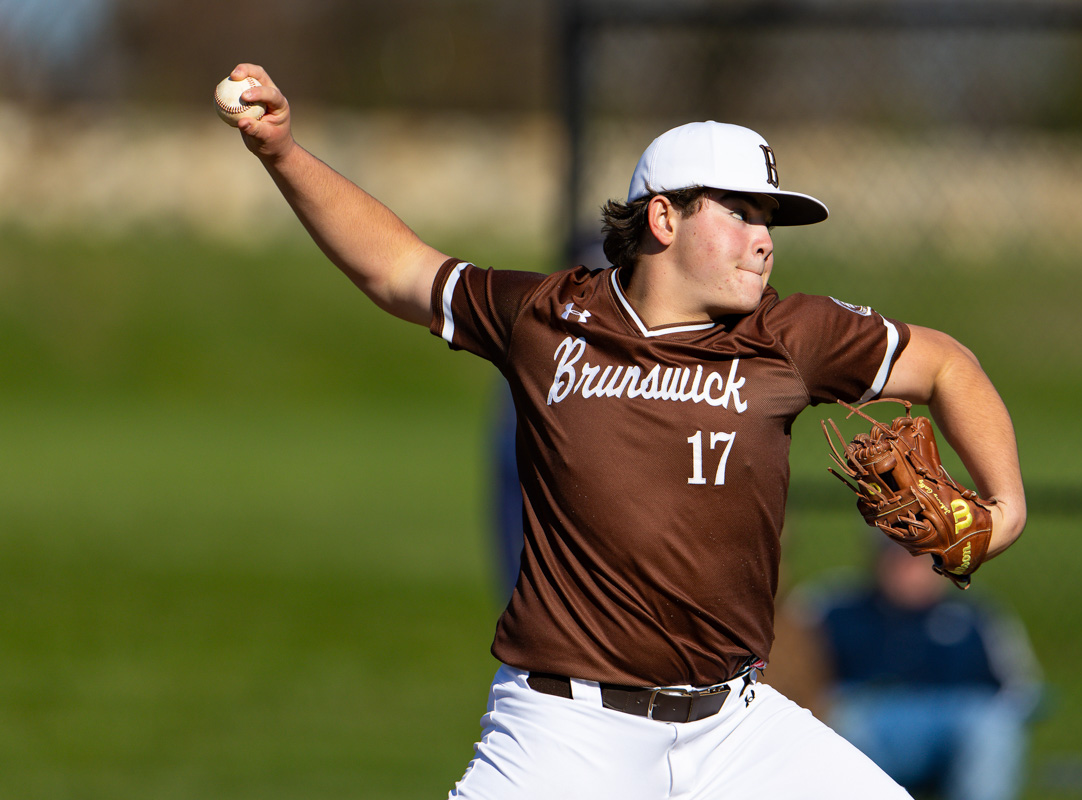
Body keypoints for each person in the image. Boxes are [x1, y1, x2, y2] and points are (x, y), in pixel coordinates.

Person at [222, 63, 1027, 799]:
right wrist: (283, 151)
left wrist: (1005, 506)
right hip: (565, 730)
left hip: (734, 726)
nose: (763, 237)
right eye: (742, 211)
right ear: (665, 217)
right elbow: (396, 268)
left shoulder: (792, 335)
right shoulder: (549, 318)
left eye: (770, 219)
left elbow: (948, 365)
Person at [780, 539, 1043, 800]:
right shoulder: (832, 607)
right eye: (901, 560)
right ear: (878, 560)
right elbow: (791, 672)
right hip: (867, 718)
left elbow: (1021, 688)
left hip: (953, 722)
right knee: (844, 719)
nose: (912, 571)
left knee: (991, 724)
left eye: (925, 561)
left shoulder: (975, 613)